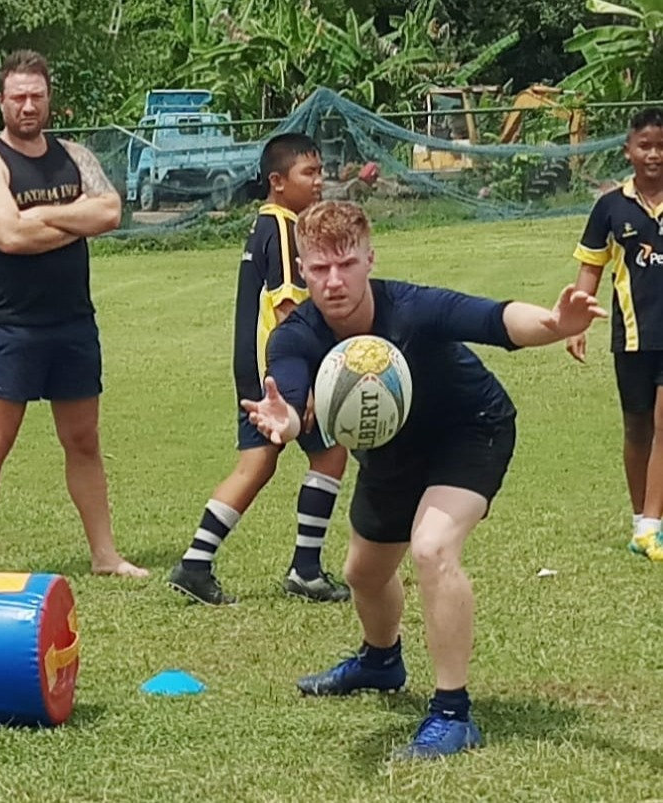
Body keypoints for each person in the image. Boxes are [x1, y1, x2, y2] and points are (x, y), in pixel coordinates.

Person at [242, 200, 605, 759]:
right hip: (391, 450)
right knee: (362, 573)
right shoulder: (295, 336)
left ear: (369, 259)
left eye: (346, 264)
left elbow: (493, 319)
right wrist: (285, 421)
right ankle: (381, 661)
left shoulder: (411, 307)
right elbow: (288, 395)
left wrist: (556, 324)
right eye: (318, 268)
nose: (333, 281)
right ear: (302, 267)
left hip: (469, 429)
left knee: (433, 549)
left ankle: (453, 713)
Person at [0, 49, 147, 578]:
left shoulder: (74, 154)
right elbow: (9, 236)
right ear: (2, 102)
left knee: (84, 440)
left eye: (36, 95)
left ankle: (105, 556)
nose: (27, 105)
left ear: (49, 99)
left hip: (72, 322)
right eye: (17, 96)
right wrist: (71, 219)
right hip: (9, 324)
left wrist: (42, 213)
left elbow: (109, 212)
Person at [168, 134, 349, 605]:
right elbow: (289, 309)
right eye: (309, 173)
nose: (319, 181)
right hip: (280, 368)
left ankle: (196, 562)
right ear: (277, 181)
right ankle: (305, 570)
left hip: (254, 366)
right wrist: (308, 382)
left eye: (321, 171)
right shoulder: (286, 227)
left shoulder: (265, 225)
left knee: (258, 464)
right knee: (328, 455)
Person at [567, 107, 663, 559]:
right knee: (637, 427)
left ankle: (652, 522)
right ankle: (640, 521)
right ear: (628, 151)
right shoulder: (610, 207)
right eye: (645, 146)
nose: (655, 154)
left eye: (661, 147)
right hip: (631, 335)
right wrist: (578, 320)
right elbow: (590, 268)